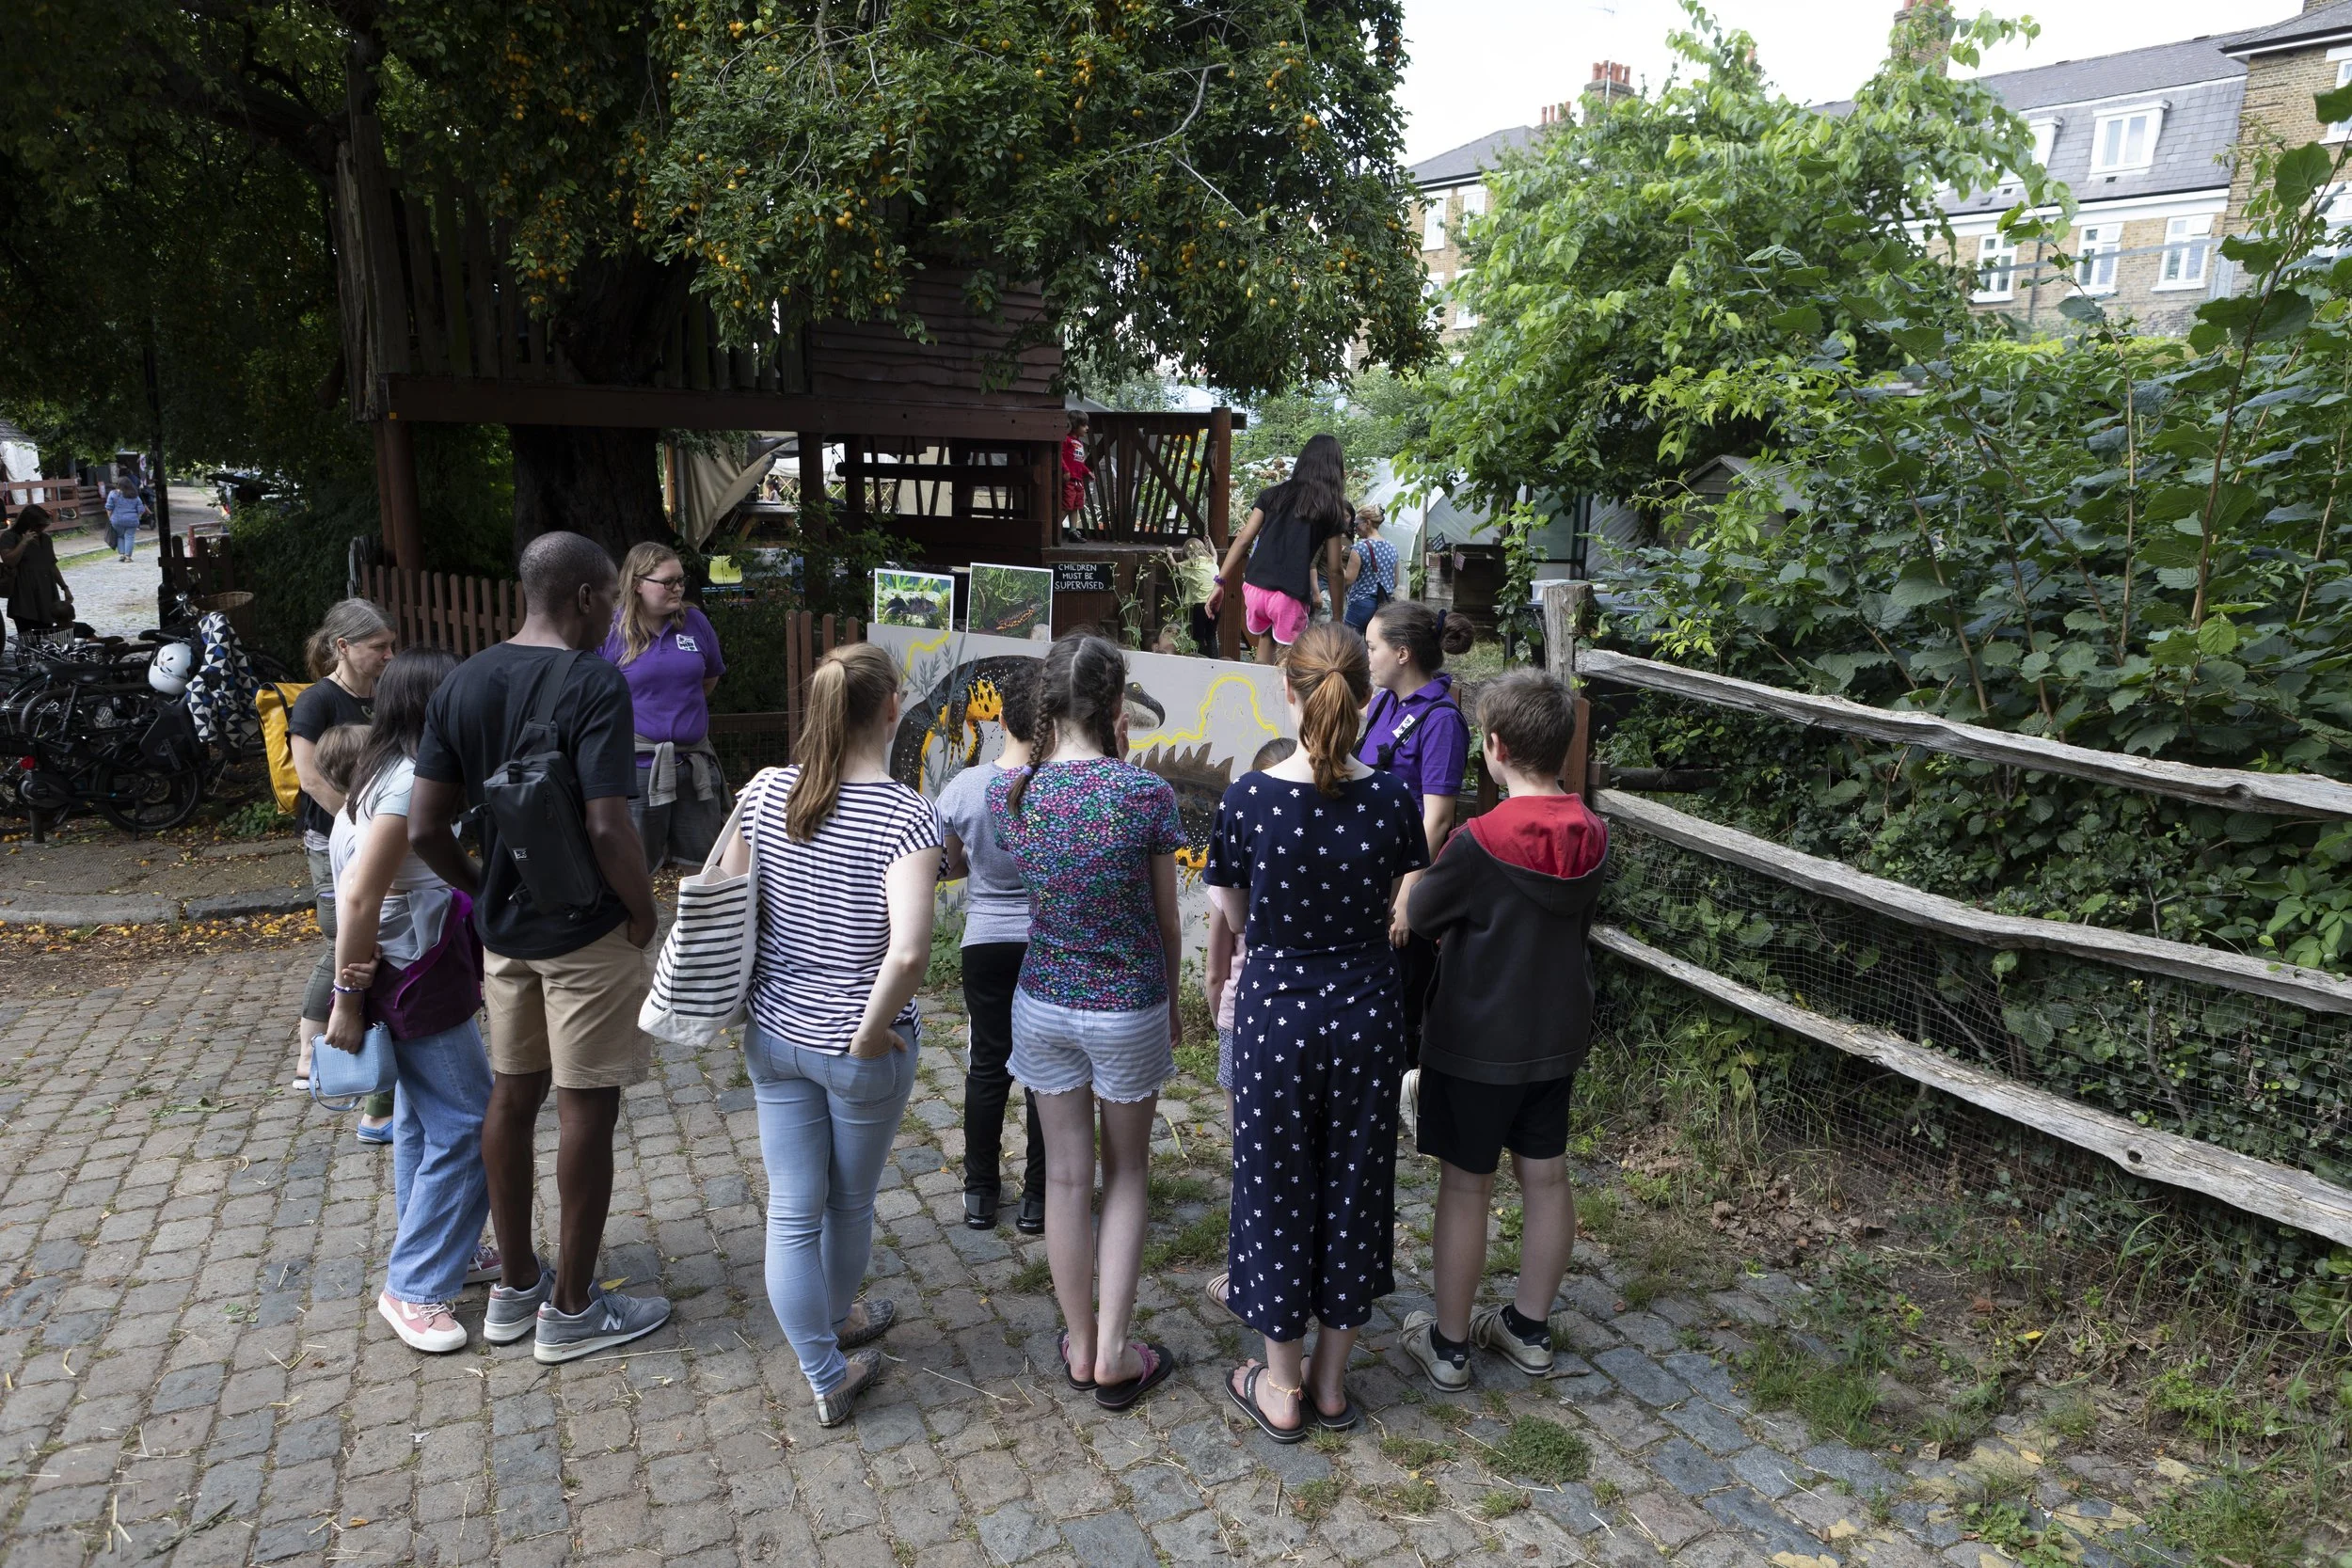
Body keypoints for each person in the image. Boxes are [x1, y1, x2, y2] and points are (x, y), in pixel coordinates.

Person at [407, 531, 670, 1366]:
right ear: (588, 596)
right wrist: (643, 910)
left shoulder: (462, 680)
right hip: (585, 928)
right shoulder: (595, 681)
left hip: (504, 933)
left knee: (511, 1098)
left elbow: (422, 826)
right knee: (585, 1104)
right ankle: (572, 1307)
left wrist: (482, 884)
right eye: (612, 600)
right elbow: (607, 823)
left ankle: (517, 1285)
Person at [1205, 625, 1431, 1441]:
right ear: (1365, 699)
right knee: (1355, 1185)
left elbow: (1236, 917)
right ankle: (1333, 1385)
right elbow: (1399, 902)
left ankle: (1281, 1384)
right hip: (1368, 1015)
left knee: (1274, 1187)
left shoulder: (1249, 798)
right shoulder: (1395, 801)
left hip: (1278, 1015)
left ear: (1287, 691)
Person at [714, 641, 939, 1426]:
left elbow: (730, 900)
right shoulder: (907, 814)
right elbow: (909, 950)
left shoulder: (768, 792)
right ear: (890, 707)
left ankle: (825, 1347)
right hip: (857, 1048)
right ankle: (827, 1361)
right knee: (847, 1206)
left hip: (774, 1037)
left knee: (791, 1208)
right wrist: (872, 1034)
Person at [991, 634, 1184, 1409]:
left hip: (1042, 1002)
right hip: (1128, 1003)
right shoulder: (1145, 795)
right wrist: (1170, 1000)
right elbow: (1169, 924)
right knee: (1126, 1172)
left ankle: (1078, 1342)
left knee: (1066, 1177)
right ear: (1116, 704)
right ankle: (1113, 1352)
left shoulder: (1019, 794)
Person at [1400, 671, 1609, 1389]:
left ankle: (1451, 1345)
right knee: (1546, 1177)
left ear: (1492, 746)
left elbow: (1421, 917)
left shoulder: (1477, 840)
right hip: (1554, 1035)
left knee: (1467, 1188)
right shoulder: (1594, 833)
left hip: (1474, 1039)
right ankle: (1528, 1327)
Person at [322, 647, 502, 1354]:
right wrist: (346, 998)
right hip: (411, 970)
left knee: (428, 1122)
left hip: (408, 964)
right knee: (472, 1121)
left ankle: (440, 1251)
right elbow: (359, 895)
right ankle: (417, 1283)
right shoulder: (402, 785)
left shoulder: (383, 769)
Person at [935, 662, 1048, 1234]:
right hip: (1043, 944)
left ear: (1001, 719)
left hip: (984, 941)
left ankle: (979, 1192)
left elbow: (949, 864)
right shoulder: (1058, 788)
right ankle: (1038, 1199)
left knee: (987, 1067)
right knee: (1044, 1074)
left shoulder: (965, 786)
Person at [288, 599, 400, 1137]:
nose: (388, 655)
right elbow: (310, 778)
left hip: (375, 835)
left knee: (349, 943)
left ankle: (316, 1051)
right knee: (346, 939)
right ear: (343, 647)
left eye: (390, 645)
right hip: (333, 836)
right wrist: (362, 824)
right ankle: (319, 1049)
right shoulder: (316, 701)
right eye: (379, 647)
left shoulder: (384, 695)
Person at [1359, 600, 1476, 1085]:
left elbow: (1438, 819)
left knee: (1402, 994)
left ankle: (1403, 1096)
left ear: (1403, 653)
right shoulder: (1386, 701)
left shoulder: (1442, 721)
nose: (1367, 656)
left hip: (1404, 879)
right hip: (1370, 871)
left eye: (1373, 647)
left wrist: (1407, 898)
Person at [600, 543, 729, 872]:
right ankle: (642, 925)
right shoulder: (611, 630)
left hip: (694, 764)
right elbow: (596, 696)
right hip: (639, 767)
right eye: (667, 582)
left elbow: (708, 678)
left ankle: (701, 924)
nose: (677, 588)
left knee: (705, 867)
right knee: (634, 868)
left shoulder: (695, 622)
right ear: (637, 584)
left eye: (680, 580)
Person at [1201, 736, 1295, 1138]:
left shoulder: (1233, 871)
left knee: (1244, 1123)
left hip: (1242, 1011)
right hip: (1302, 1013)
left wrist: (1217, 1017)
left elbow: (1214, 969)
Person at [1205, 435, 1353, 665]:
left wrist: (1220, 583)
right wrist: (1337, 617)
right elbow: (1334, 569)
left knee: (1265, 640)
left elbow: (1244, 539)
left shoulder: (1273, 495)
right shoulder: (1330, 510)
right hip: (1289, 593)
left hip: (1255, 588)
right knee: (1288, 661)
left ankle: (1256, 698)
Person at [2, 504, 72, 649]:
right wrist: (23, 543)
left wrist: (64, 587)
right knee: (26, 636)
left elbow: (51, 565)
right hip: (23, 591)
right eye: (39, 525)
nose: (42, 529)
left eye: (44, 526)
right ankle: (25, 666)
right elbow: (9, 561)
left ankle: (46, 664)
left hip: (46, 590)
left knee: (46, 633)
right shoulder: (10, 537)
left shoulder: (45, 539)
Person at [1340, 504, 1398, 634]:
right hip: (1384, 607)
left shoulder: (1360, 547)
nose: (1355, 528)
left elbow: (1348, 580)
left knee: (1349, 643)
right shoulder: (1392, 547)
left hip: (1361, 606)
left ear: (1367, 523)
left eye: (1357, 524)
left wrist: (1336, 562)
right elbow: (1395, 582)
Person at [104, 478, 149, 564]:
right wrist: (137, 517)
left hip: (117, 520)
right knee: (130, 537)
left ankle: (122, 555)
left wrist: (110, 518)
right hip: (132, 520)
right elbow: (141, 510)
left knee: (120, 536)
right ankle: (128, 557)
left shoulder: (113, 494)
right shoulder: (134, 495)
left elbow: (109, 508)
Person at [1061, 411, 1093, 524]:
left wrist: (1088, 472)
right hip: (1069, 480)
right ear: (1074, 425)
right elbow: (1060, 456)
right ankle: (1053, 529)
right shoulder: (1066, 440)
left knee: (1075, 506)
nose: (1087, 428)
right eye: (1084, 425)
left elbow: (1079, 463)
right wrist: (1065, 470)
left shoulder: (1079, 443)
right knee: (1067, 505)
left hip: (1078, 481)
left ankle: (1073, 531)